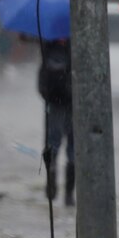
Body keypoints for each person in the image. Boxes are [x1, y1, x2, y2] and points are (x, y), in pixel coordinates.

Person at [37, 38, 75, 205]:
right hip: (73, 101)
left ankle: (51, 185)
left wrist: (47, 94)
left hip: (53, 101)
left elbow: (42, 78)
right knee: (73, 148)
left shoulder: (48, 41)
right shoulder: (78, 39)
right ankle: (69, 195)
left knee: (52, 143)